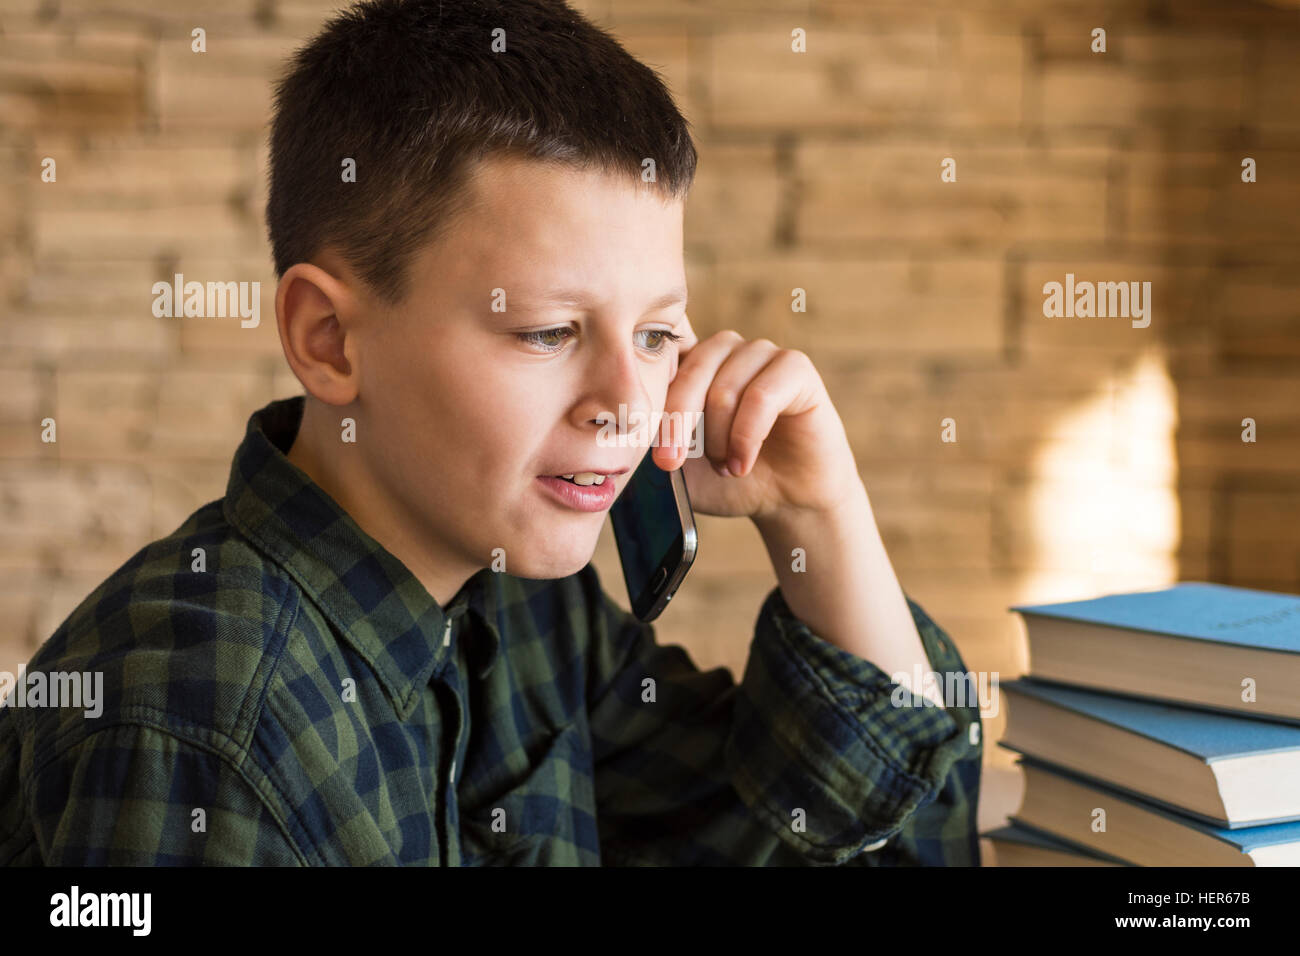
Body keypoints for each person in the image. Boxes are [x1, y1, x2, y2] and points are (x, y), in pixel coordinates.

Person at [0, 0, 981, 866]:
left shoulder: (524, 605)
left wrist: (820, 510)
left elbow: (823, 830)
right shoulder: (207, 721)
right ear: (329, 338)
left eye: (653, 334)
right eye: (548, 331)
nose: (624, 401)